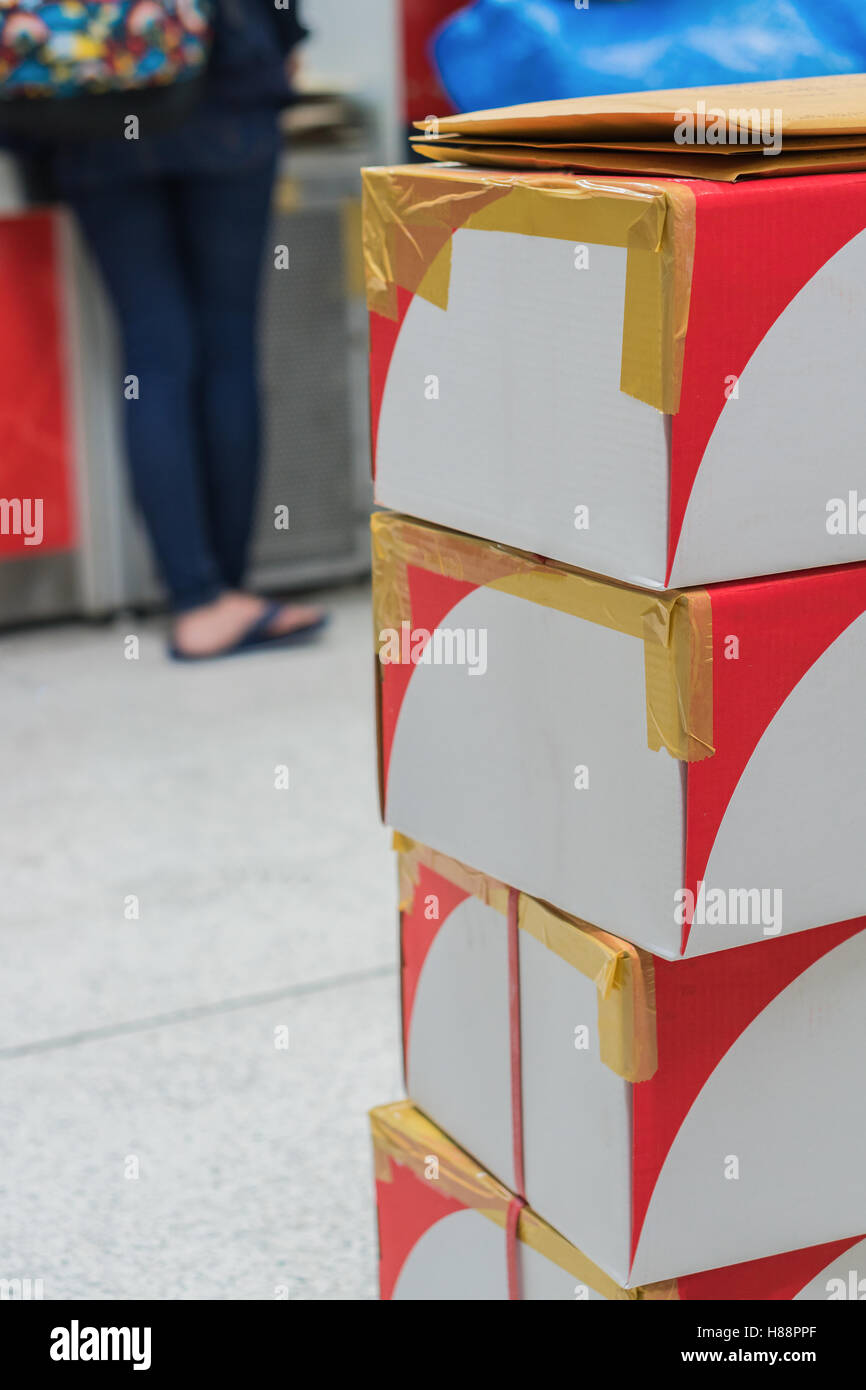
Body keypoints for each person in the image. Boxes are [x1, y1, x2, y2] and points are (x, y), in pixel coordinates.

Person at [51, 0, 325, 659]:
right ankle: (225, 593)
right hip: (223, 83)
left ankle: (195, 597)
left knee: (151, 348)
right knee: (227, 343)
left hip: (91, 100)